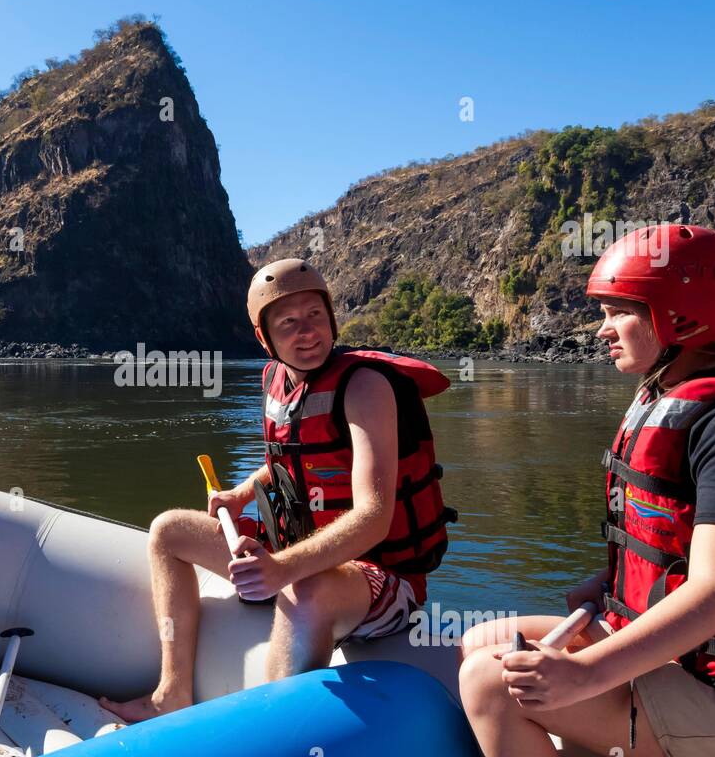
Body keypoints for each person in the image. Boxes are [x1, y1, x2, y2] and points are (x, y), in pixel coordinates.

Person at [458, 224, 715, 757]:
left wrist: (587, 673)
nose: (600, 329)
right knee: (480, 640)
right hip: (688, 662)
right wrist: (613, 582)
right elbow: (681, 549)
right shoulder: (677, 401)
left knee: (490, 683)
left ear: (683, 318)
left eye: (619, 311)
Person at [102, 259, 456, 722]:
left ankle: (274, 736)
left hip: (376, 579)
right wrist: (241, 494)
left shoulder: (366, 387)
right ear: (264, 338)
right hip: (296, 557)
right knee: (169, 531)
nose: (306, 332)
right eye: (289, 323)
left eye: (315, 316)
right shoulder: (276, 381)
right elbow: (286, 464)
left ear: (332, 319)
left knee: (303, 588)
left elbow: (375, 515)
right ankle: (171, 694)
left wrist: (283, 568)